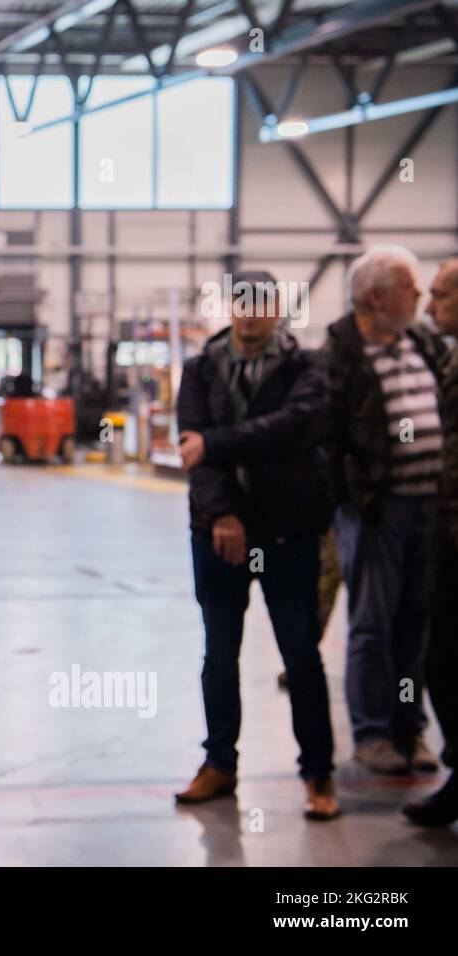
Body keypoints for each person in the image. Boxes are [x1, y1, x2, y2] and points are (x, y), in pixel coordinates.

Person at [174, 270, 340, 820]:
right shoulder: (200, 370)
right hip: (219, 535)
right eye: (241, 304)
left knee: (301, 653)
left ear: (278, 309)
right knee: (219, 653)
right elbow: (192, 454)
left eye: (262, 304)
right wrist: (222, 513)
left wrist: (217, 443)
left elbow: (297, 430)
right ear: (229, 307)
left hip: (287, 530)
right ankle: (219, 764)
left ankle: (319, 774)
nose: (250, 314)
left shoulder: (306, 366)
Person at [323, 246, 449, 775]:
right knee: (373, 624)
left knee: (416, 623)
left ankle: (410, 727)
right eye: (409, 286)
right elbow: (325, 443)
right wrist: (354, 499)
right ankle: (373, 732)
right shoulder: (340, 357)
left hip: (430, 510)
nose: (420, 295)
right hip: (377, 513)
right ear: (375, 297)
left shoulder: (420, 341)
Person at [406, 255, 458, 825]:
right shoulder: (445, 352)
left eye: (441, 295)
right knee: (438, 657)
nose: (430, 306)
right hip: (444, 529)